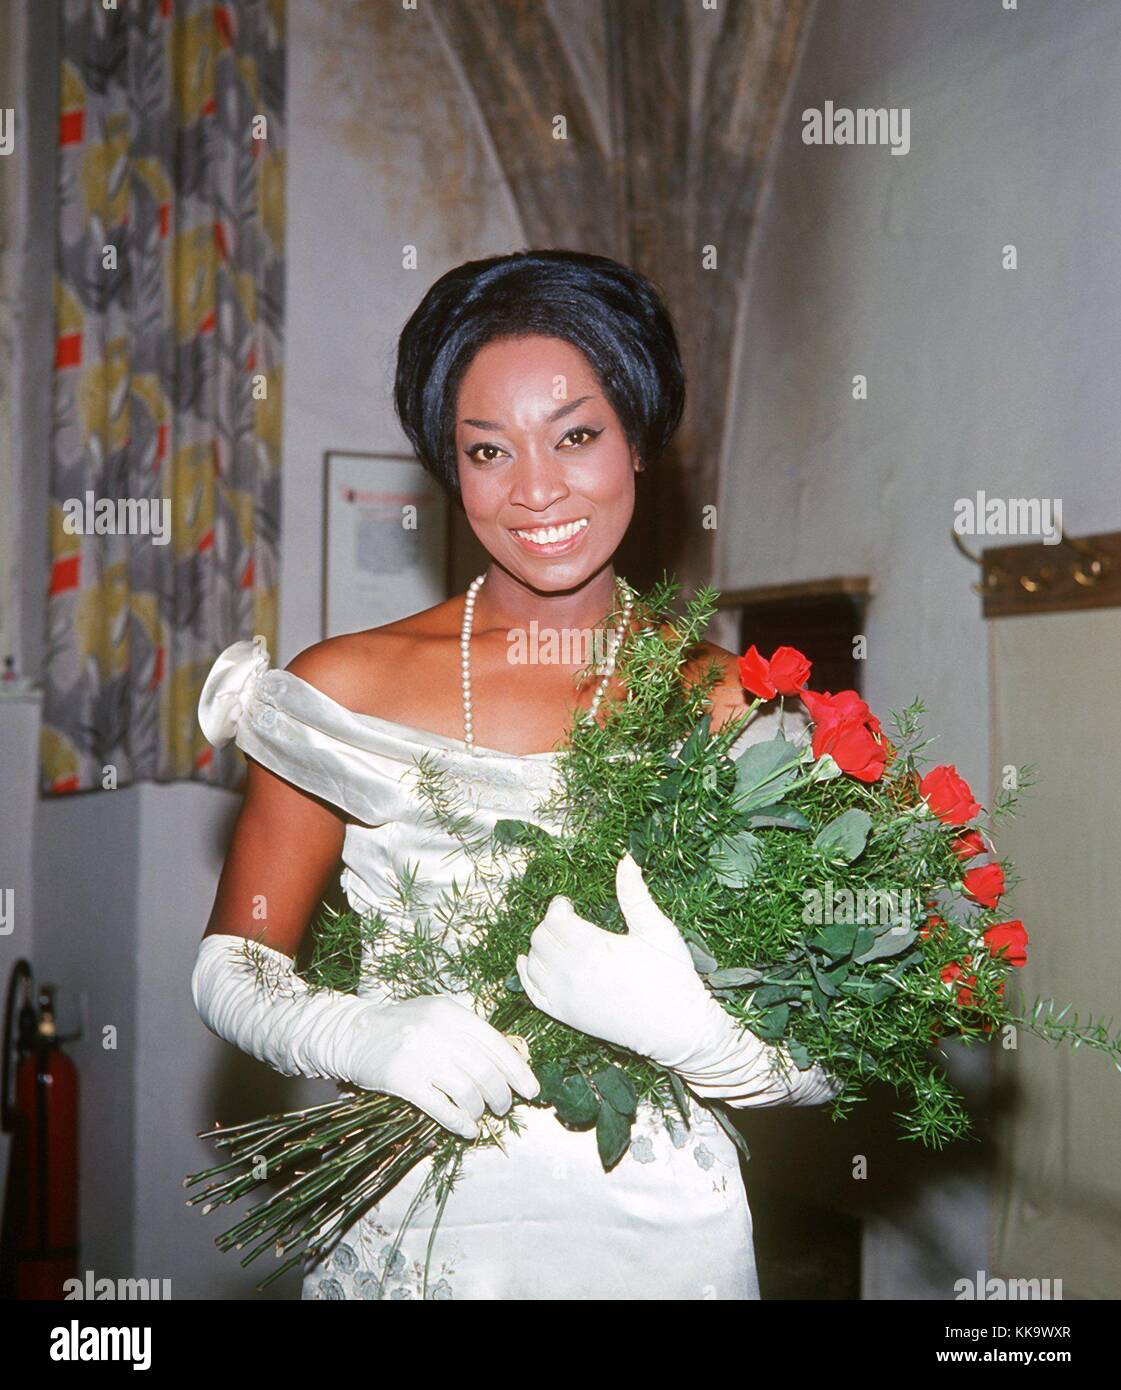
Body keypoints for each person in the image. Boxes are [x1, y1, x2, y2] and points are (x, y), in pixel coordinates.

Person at [190, 249, 837, 1301]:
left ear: (639, 441)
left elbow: (828, 1052)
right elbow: (231, 965)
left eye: (576, 436)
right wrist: (359, 1031)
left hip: (662, 1237)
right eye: (487, 450)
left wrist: (694, 1033)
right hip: (416, 1233)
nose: (535, 490)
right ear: (451, 468)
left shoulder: (735, 703)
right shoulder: (346, 686)